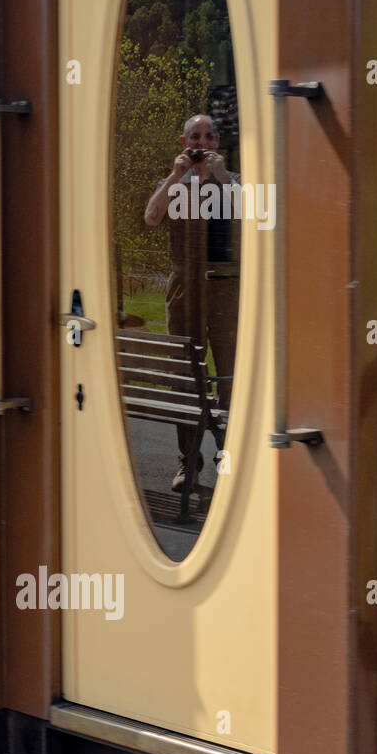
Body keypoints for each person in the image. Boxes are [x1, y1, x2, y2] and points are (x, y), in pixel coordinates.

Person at [144, 114, 240, 493]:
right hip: (185, 281)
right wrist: (173, 177)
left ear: (219, 142)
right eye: (195, 137)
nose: (203, 143)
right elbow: (152, 217)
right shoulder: (173, 181)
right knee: (185, 374)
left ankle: (229, 459)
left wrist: (223, 175)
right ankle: (188, 464)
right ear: (182, 141)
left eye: (209, 137)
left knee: (231, 369)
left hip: (227, 281)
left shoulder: (234, 181)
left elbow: (252, 216)